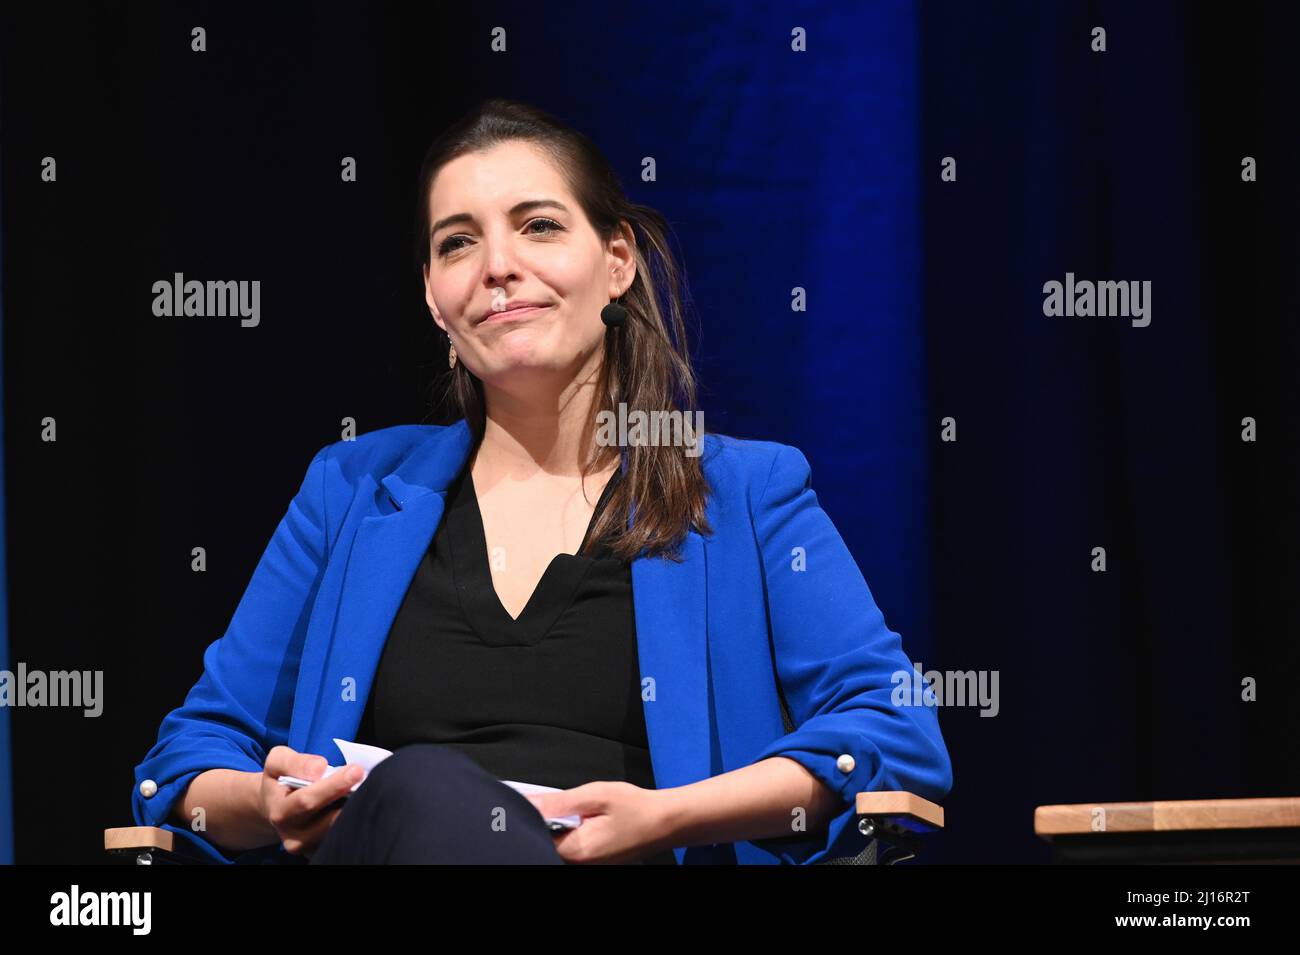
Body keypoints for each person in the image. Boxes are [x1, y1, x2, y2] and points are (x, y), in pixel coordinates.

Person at [130, 98, 952, 865]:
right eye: (457, 242)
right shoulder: (348, 490)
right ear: (433, 297)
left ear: (617, 261)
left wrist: (671, 814)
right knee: (421, 788)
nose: (497, 266)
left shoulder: (743, 491)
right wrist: (270, 800)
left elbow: (897, 730)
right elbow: (184, 764)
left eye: (539, 226)